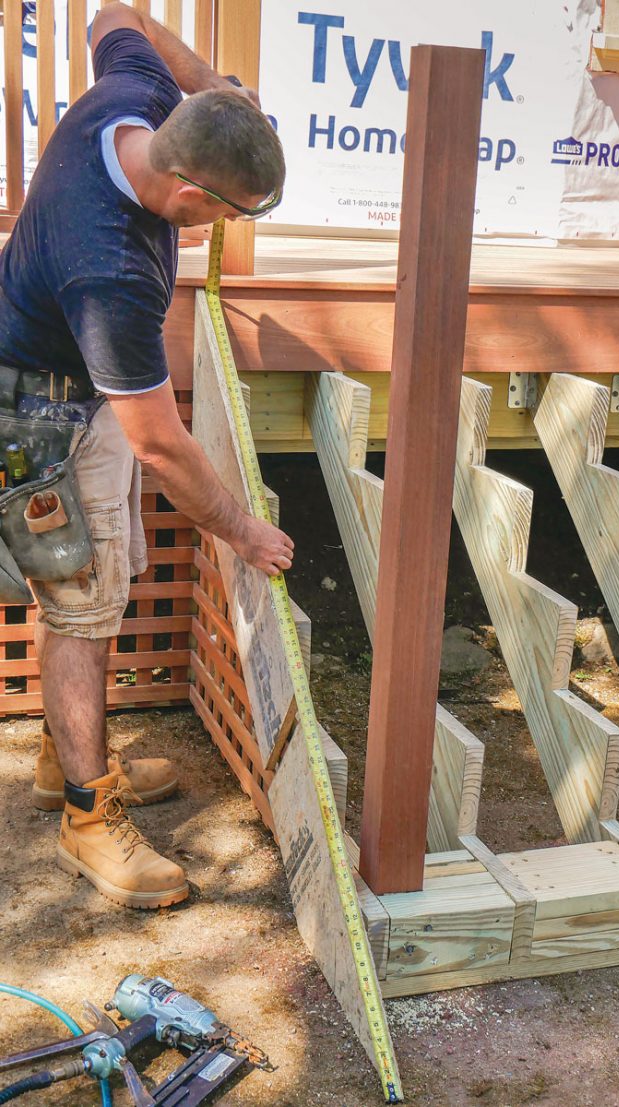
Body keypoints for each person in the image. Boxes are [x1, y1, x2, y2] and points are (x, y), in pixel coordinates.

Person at [0, 2, 294, 909]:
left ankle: (64, 757)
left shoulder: (137, 94)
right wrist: (242, 528)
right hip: (44, 409)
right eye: (231, 218)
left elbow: (114, 14)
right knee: (85, 604)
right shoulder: (112, 269)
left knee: (93, 584)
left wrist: (215, 88)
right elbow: (161, 442)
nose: (222, 233)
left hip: (71, 384)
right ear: (194, 198)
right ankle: (89, 815)